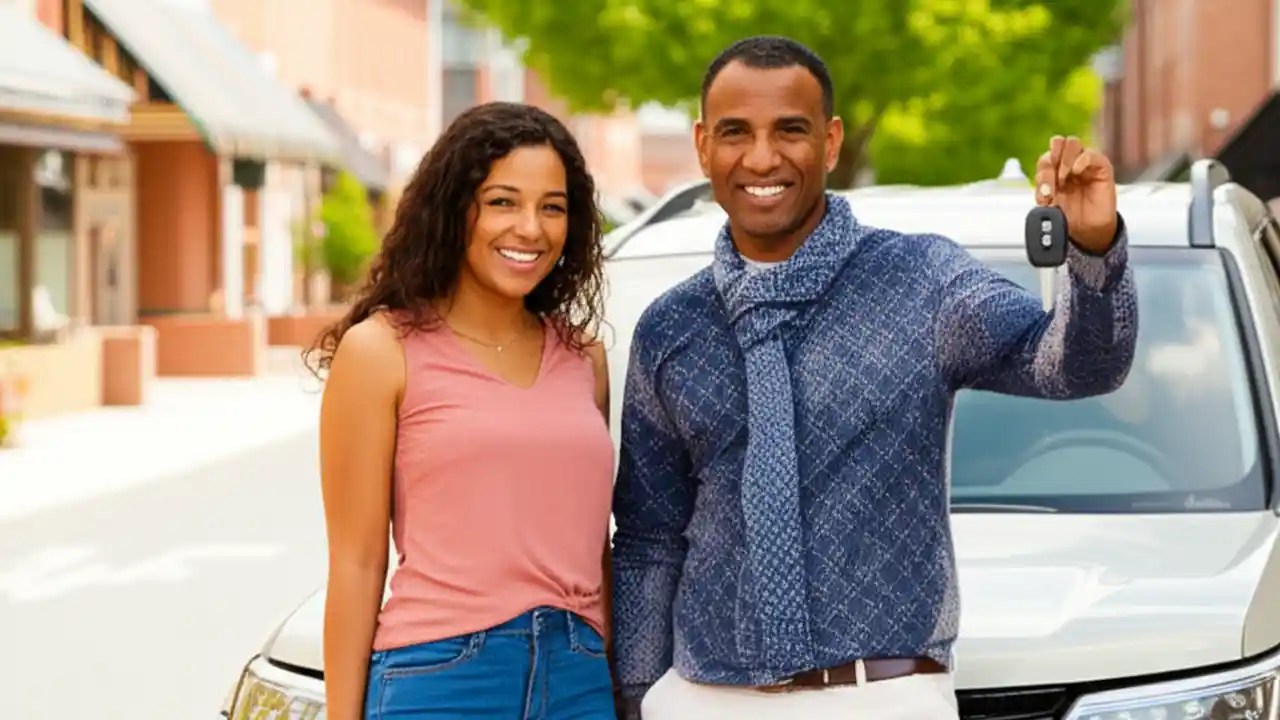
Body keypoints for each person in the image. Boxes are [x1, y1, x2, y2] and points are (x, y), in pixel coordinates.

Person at [609, 35, 1138, 720]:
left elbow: (1075, 367)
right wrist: (633, 697)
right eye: (737, 133)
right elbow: (650, 541)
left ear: (829, 143)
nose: (762, 157)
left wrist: (1093, 250)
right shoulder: (669, 327)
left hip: (883, 694)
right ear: (704, 145)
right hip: (703, 699)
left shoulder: (925, 283)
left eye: (789, 131)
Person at [307, 101, 617, 720]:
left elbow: (596, 550)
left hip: (579, 679)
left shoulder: (585, 358)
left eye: (551, 207)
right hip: (441, 679)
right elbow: (356, 563)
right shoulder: (382, 350)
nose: (530, 227)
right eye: (503, 201)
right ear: (455, 211)